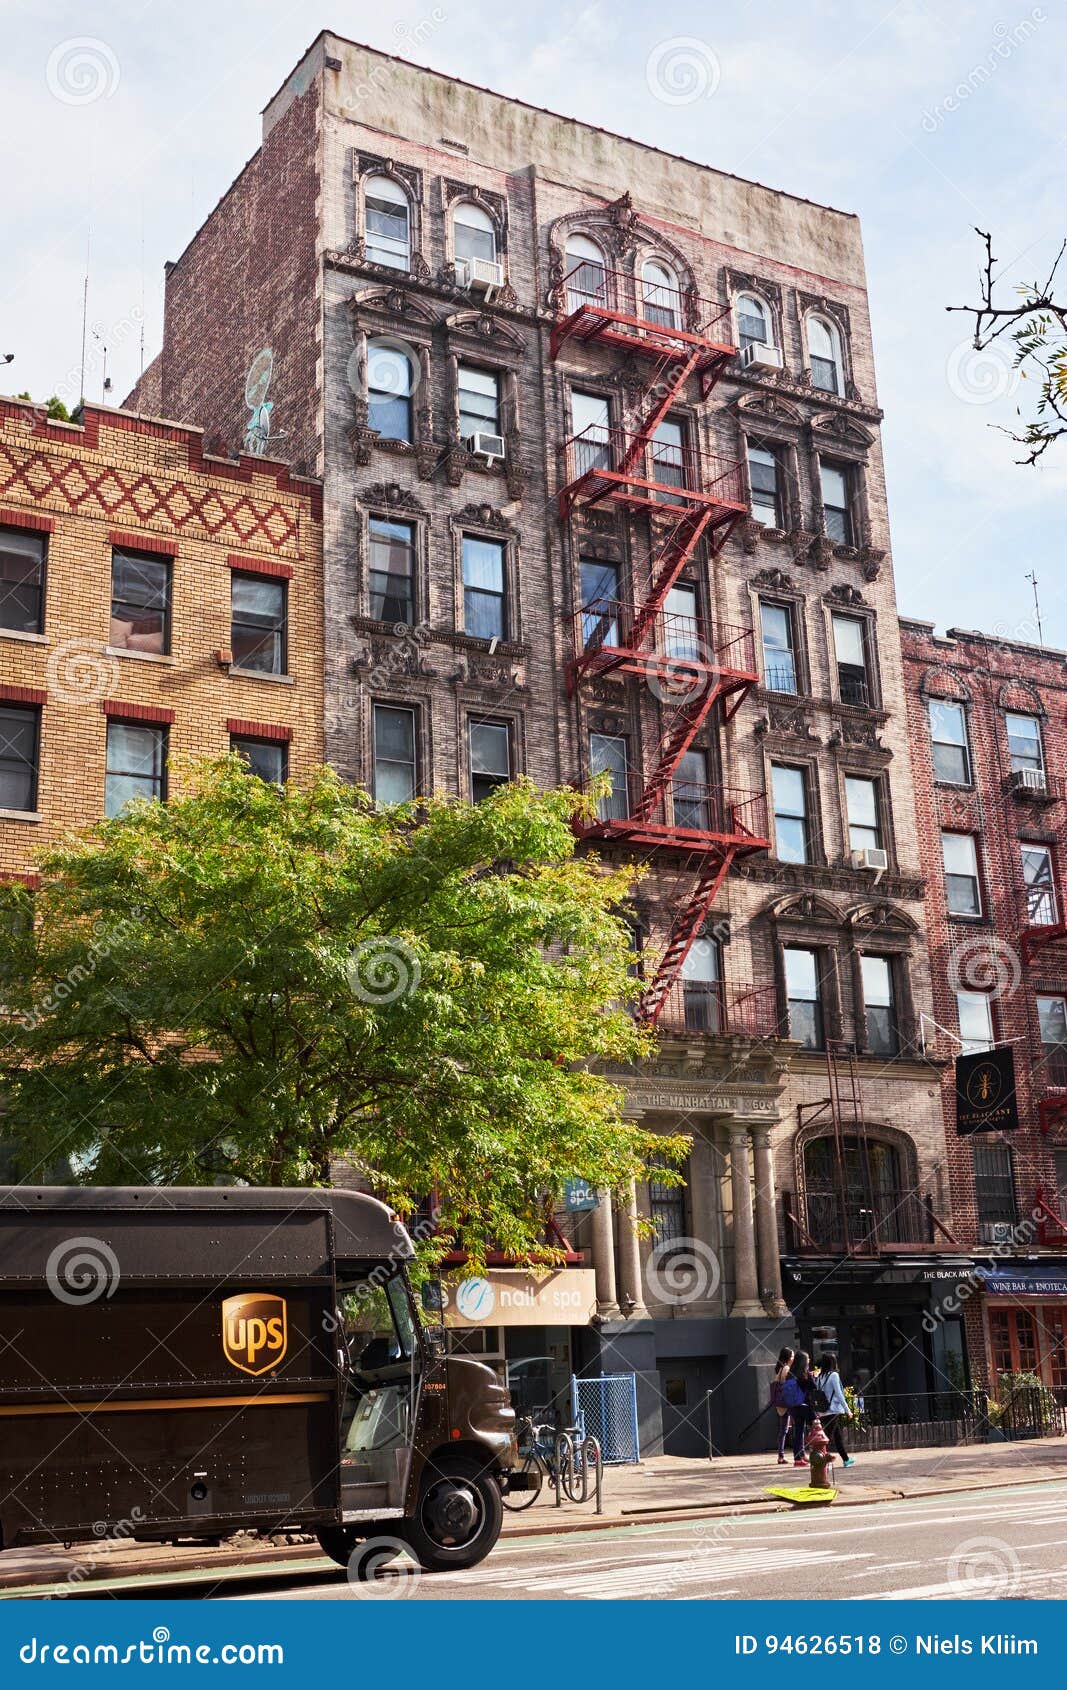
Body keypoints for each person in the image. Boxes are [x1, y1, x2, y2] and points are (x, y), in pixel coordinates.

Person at [817, 1352, 855, 1468]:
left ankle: (846, 1459)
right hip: (832, 1410)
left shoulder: (819, 1377)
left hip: (822, 1411)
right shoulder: (834, 1375)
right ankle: (824, 1460)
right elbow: (839, 1394)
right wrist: (847, 1410)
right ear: (833, 1363)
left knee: (834, 1436)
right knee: (829, 1437)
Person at [782, 1349, 815, 1466]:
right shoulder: (804, 1374)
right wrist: (812, 1376)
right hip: (804, 1405)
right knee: (817, 1426)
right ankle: (817, 1453)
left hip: (793, 1407)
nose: (809, 1360)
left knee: (799, 1431)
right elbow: (813, 1386)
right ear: (804, 1361)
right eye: (808, 1359)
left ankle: (798, 1458)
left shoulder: (790, 1374)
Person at [770, 1346, 795, 1465]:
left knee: (783, 1429)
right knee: (784, 1429)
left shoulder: (781, 1369)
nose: (793, 1358)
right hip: (786, 1403)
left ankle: (781, 1455)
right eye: (792, 1356)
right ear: (789, 1358)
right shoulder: (786, 1368)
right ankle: (782, 1455)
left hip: (782, 1403)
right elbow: (789, 1385)